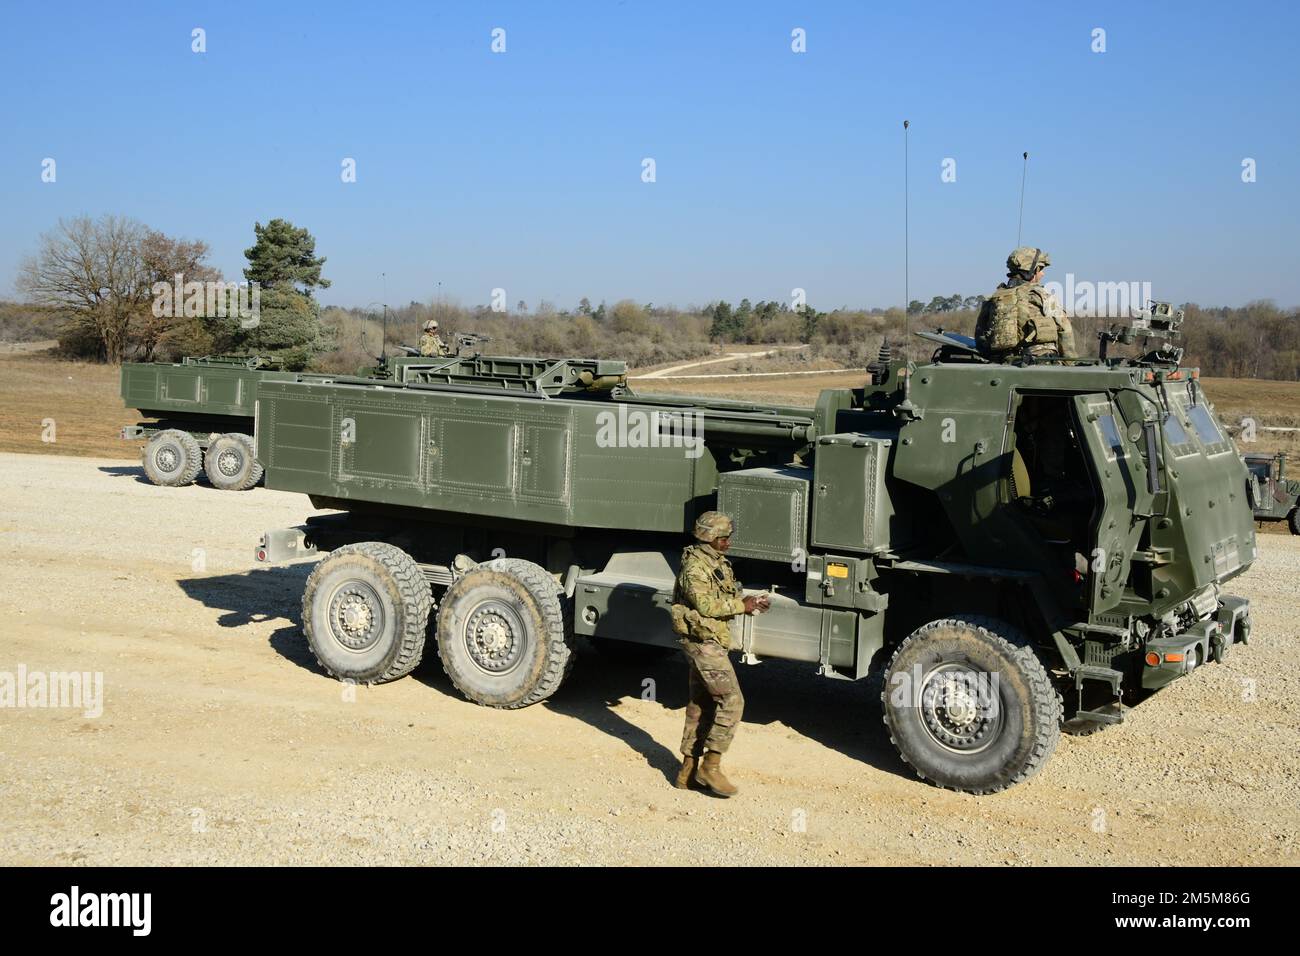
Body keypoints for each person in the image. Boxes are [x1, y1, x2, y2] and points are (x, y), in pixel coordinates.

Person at [670, 511, 769, 796]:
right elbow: (706, 607)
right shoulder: (695, 568)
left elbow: (722, 597)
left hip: (709, 639)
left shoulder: (715, 562)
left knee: (701, 703)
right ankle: (710, 767)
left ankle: (687, 772)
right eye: (724, 538)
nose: (728, 543)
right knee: (732, 700)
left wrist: (750, 602)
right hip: (702, 643)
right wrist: (743, 605)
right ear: (711, 539)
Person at [974, 247, 1077, 361]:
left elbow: (980, 338)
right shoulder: (1043, 296)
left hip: (1003, 362)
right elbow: (1065, 331)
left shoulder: (994, 298)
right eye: (1040, 269)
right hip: (1040, 362)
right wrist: (1070, 364)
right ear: (1032, 270)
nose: (1042, 274)